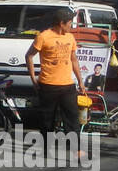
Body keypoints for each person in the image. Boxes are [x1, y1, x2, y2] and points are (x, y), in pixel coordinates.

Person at [24, 8, 87, 139]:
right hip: (48, 86)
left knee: (73, 119)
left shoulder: (70, 37)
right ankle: (46, 148)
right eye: (70, 22)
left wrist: (80, 81)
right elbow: (29, 56)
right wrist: (33, 78)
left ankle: (76, 150)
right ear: (61, 23)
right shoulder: (43, 36)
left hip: (68, 86)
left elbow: (74, 59)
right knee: (47, 121)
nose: (71, 25)